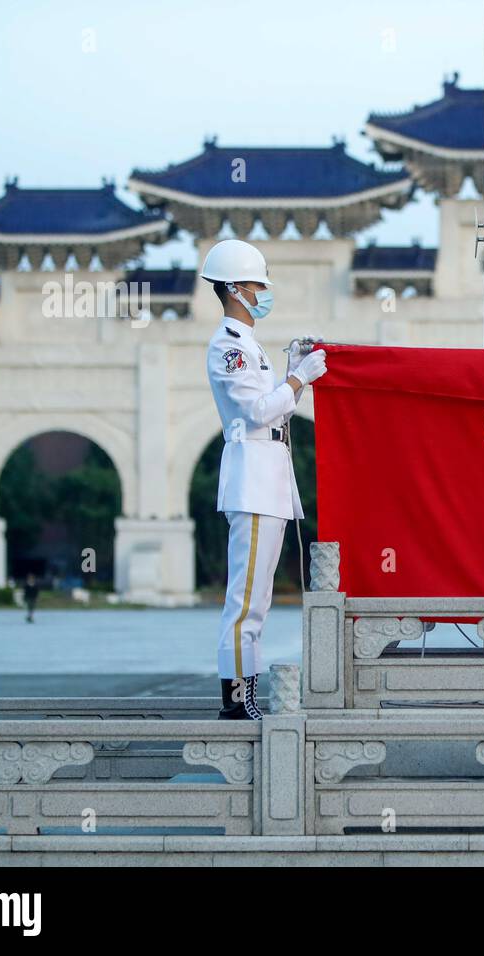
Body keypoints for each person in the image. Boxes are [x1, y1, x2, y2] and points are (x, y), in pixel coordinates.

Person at [202, 239, 329, 720]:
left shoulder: (249, 346)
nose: (263, 293)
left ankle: (245, 694)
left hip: (269, 480)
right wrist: (298, 380)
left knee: (258, 598)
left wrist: (292, 371)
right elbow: (256, 410)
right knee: (246, 600)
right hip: (253, 481)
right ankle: (236, 701)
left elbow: (274, 405)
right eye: (257, 285)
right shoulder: (229, 348)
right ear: (235, 289)